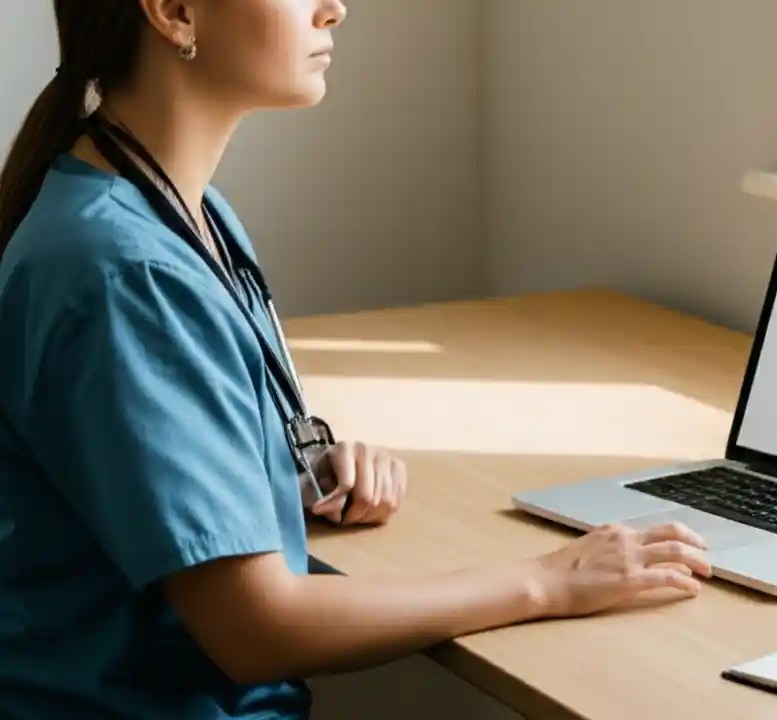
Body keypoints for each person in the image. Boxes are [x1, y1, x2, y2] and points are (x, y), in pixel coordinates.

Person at [0, 2, 711, 718]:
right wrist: (548, 581)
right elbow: (256, 629)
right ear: (178, 13)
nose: (333, 9)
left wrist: (288, 473)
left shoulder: (184, 212)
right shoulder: (124, 272)